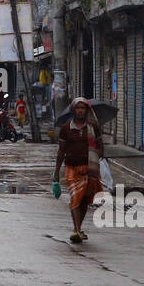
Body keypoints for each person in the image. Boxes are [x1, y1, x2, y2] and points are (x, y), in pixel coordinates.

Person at [54, 97, 105, 244]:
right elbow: (60, 152)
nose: (80, 110)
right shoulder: (65, 129)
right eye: (78, 108)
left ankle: (79, 228)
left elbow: (100, 145)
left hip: (89, 169)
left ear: (87, 110)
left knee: (84, 201)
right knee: (75, 198)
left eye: (83, 108)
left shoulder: (93, 127)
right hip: (71, 168)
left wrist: (97, 155)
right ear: (73, 110)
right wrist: (56, 172)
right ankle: (76, 229)